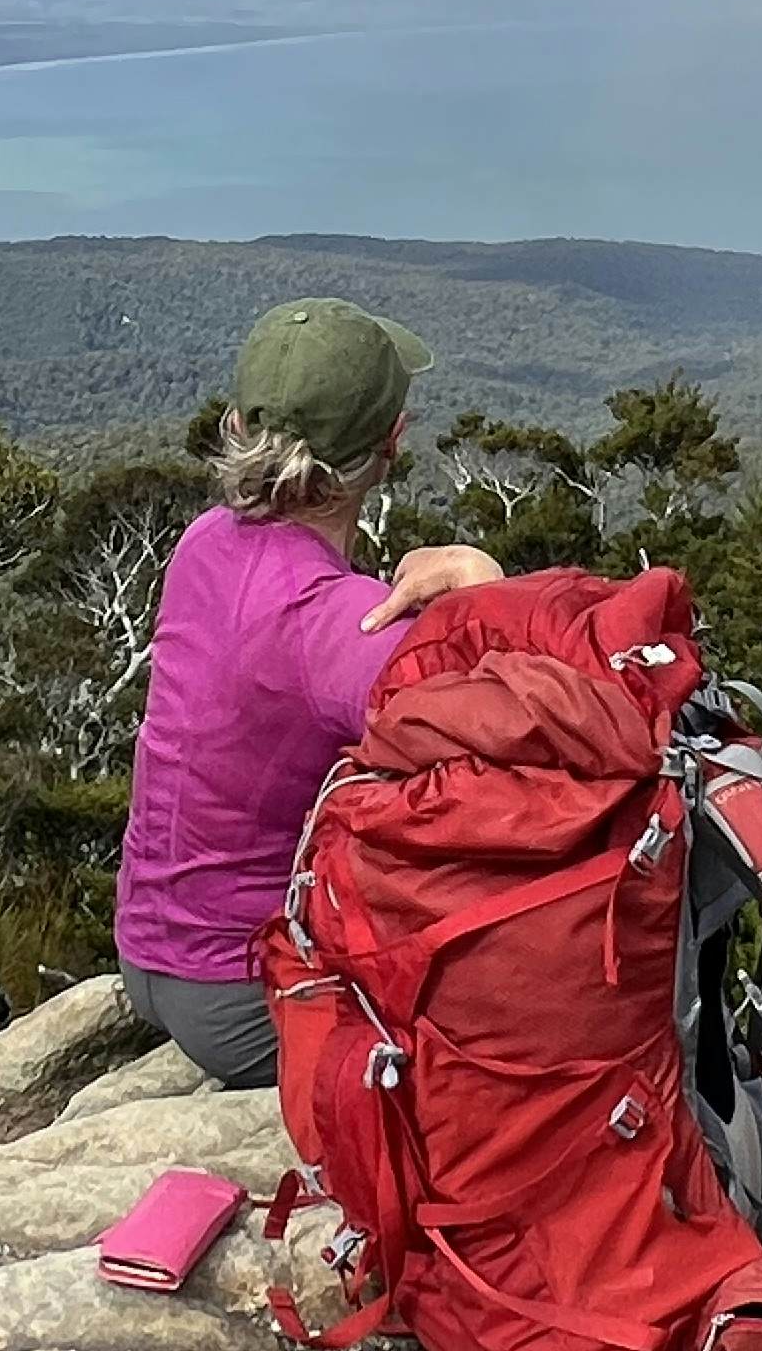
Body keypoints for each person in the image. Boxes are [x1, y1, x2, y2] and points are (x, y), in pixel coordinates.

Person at [113, 298, 505, 1087]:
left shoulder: (205, 543)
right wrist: (483, 584)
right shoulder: (335, 624)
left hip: (148, 951)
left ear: (236, 423)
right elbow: (519, 719)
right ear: (393, 442)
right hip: (240, 995)